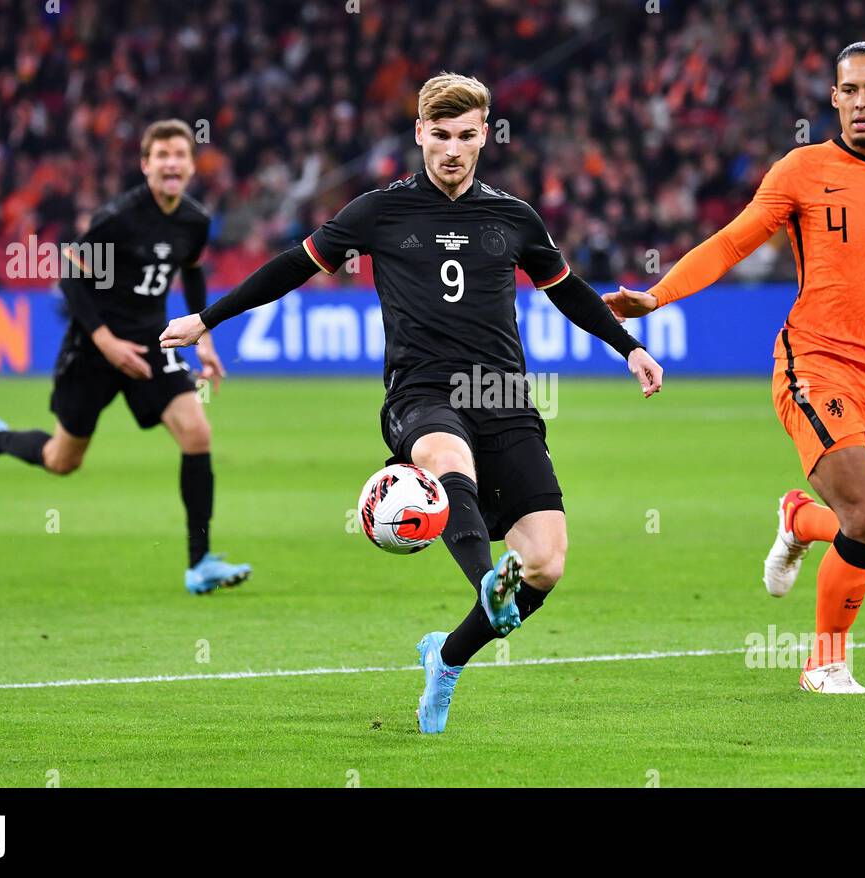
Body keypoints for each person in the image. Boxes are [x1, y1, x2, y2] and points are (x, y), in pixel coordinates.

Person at [159, 74, 664, 731]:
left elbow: (565, 289)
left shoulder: (513, 217)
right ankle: (487, 579)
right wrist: (208, 318)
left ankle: (447, 657)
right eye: (440, 135)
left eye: (465, 136)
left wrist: (628, 347)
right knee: (447, 460)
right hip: (420, 391)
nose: (452, 149)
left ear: (484, 136)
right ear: (420, 133)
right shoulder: (379, 211)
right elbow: (292, 265)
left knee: (547, 561)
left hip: (504, 394)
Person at [603, 43, 865, 694]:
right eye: (847, 91)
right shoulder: (802, 170)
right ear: (833, 99)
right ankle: (824, 662)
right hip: (815, 364)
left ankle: (800, 518)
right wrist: (656, 295)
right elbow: (733, 240)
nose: (859, 102)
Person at [0, 120, 251, 596]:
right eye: (162, 155)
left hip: (153, 343)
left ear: (192, 166)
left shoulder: (194, 221)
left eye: (180, 155)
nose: (172, 163)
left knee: (197, 433)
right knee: (61, 459)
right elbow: (71, 279)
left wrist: (206, 337)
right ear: (145, 164)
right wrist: (106, 341)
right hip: (94, 347)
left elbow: (192, 275)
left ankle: (200, 563)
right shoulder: (119, 218)